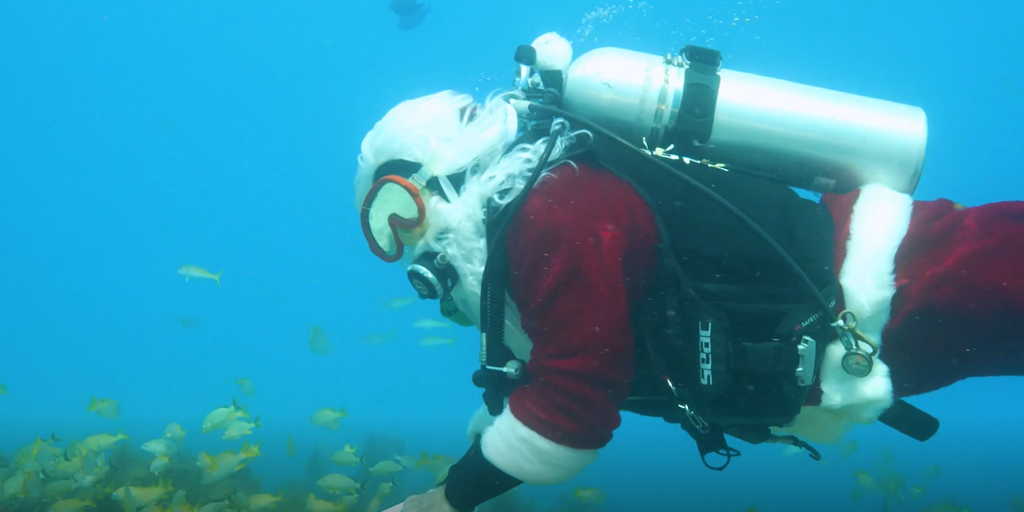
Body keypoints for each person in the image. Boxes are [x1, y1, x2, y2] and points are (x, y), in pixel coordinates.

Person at [353, 35, 1024, 512]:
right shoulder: (539, 213)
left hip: (907, 278)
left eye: (395, 214)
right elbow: (551, 368)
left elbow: (573, 402)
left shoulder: (549, 212)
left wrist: (448, 499)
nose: (405, 246)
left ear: (437, 175)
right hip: (883, 313)